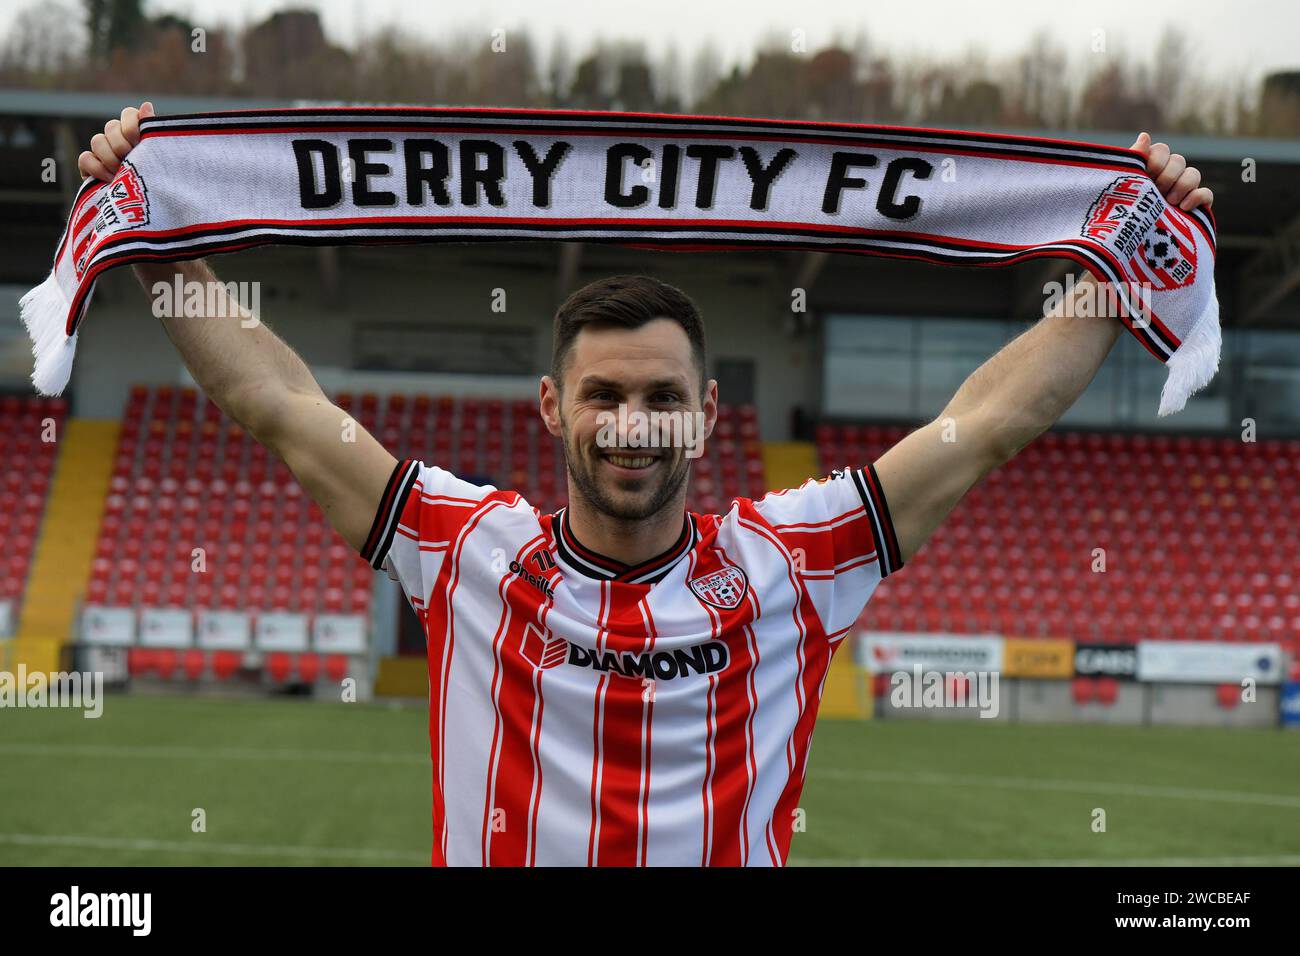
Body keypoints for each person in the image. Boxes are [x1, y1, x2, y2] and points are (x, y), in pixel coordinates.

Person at [80, 102, 1213, 866]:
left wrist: (1115, 263)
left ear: (708, 413)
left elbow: (987, 428)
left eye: (662, 395)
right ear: (551, 407)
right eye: (603, 394)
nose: (632, 424)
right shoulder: (471, 547)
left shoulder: (787, 561)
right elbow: (279, 408)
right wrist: (162, 239)